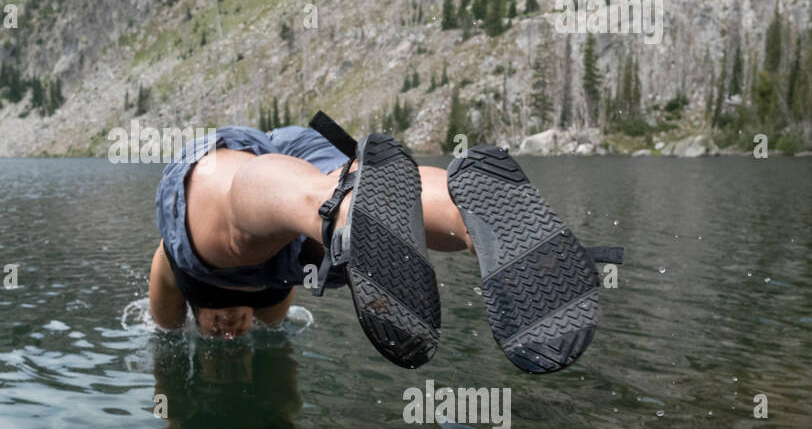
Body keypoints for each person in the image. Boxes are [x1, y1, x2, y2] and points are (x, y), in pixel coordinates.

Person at [149, 111, 621, 373]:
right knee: (338, 192)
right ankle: (474, 221)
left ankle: (345, 210)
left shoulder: (173, 281)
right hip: (299, 186)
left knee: (233, 234)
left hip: (223, 167)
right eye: (235, 325)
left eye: (215, 320)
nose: (228, 326)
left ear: (194, 311)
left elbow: (163, 327)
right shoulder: (273, 311)